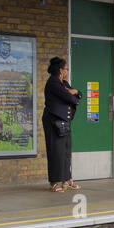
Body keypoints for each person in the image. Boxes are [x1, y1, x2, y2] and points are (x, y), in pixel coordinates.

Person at [42, 56, 80, 192]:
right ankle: (54, 182)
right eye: (66, 69)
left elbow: (77, 94)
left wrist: (76, 92)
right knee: (55, 152)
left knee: (65, 151)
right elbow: (69, 98)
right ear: (60, 70)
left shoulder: (63, 83)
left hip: (64, 121)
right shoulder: (53, 83)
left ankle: (67, 179)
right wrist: (73, 95)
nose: (68, 71)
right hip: (54, 121)